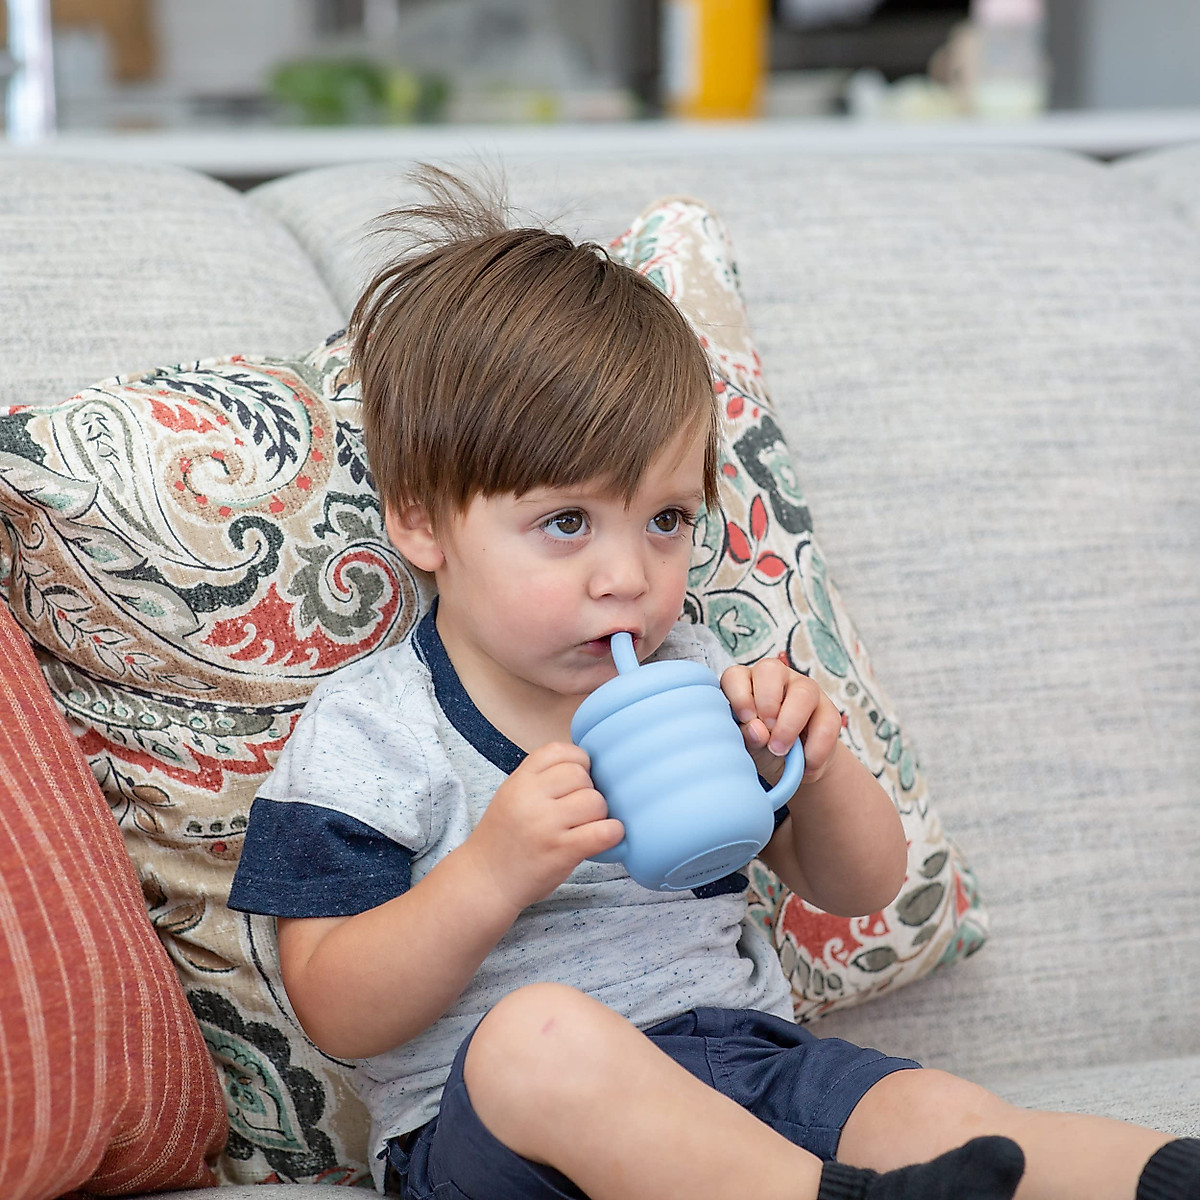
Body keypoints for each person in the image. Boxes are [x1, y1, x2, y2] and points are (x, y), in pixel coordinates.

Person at [227, 166, 1198, 1200]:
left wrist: (814, 770)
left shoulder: (694, 673)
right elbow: (334, 1005)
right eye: (566, 524)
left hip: (746, 1064)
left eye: (667, 521)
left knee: (948, 1116)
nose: (628, 577)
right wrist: (493, 869)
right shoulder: (375, 734)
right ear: (421, 521)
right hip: (506, 1138)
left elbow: (861, 887)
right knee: (539, 1037)